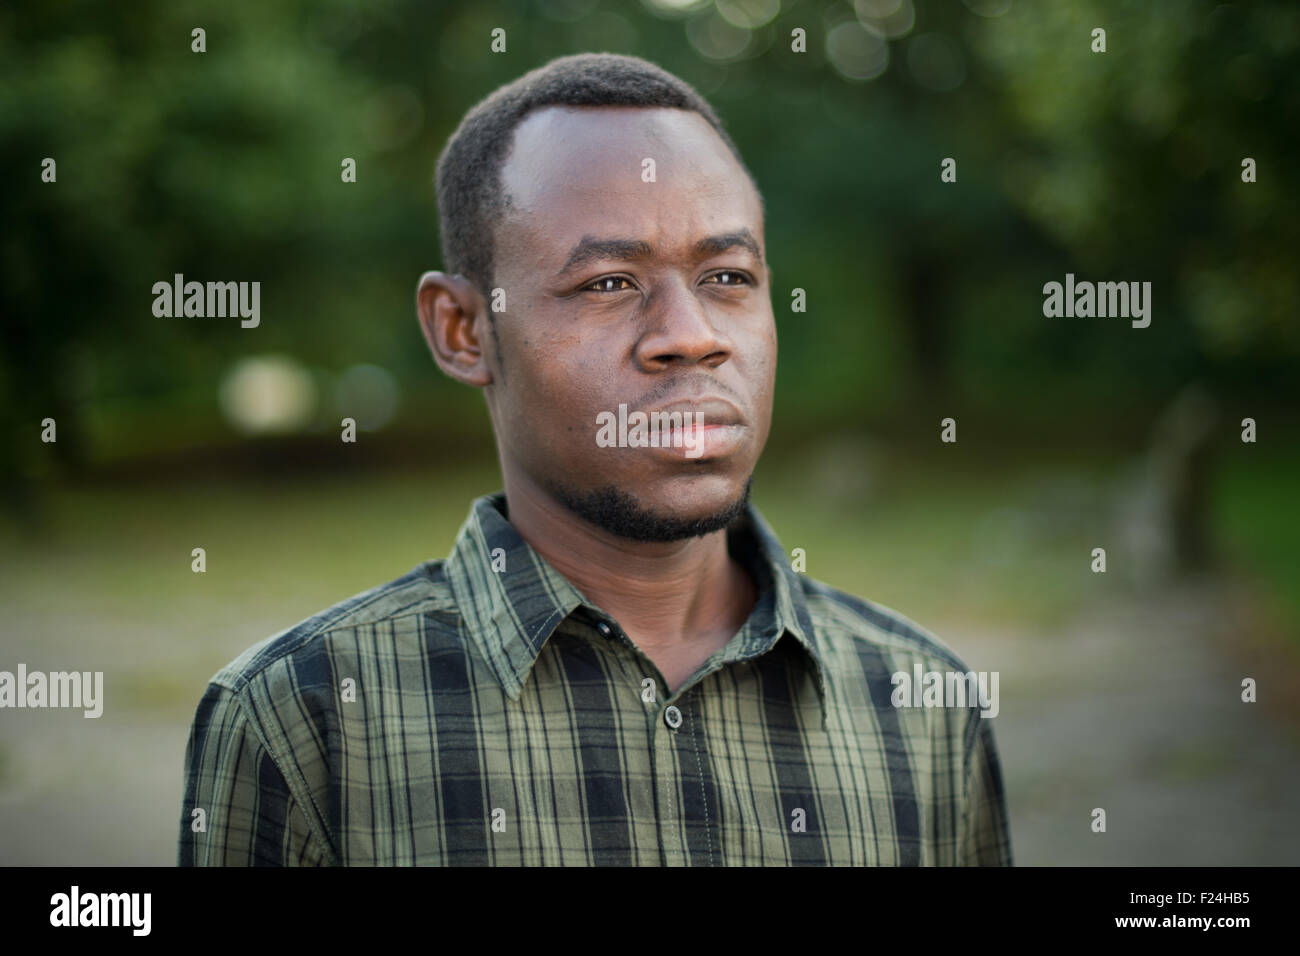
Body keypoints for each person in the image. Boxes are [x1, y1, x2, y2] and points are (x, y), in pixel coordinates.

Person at [179, 52, 1012, 866]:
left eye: (727, 276)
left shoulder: (922, 703)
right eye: (610, 283)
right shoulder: (307, 722)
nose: (691, 336)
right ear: (464, 330)